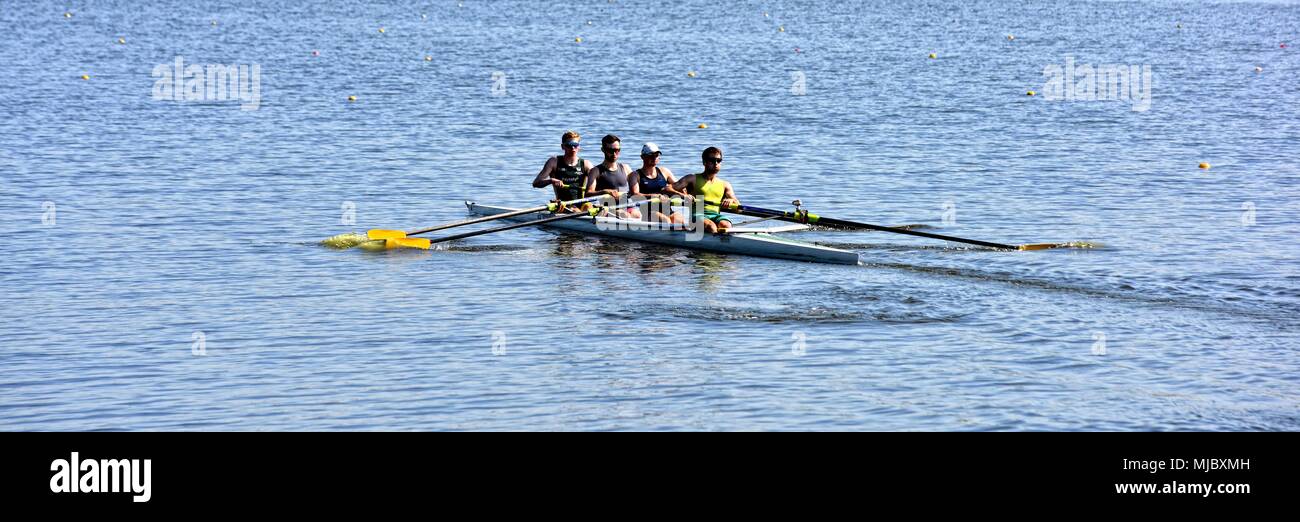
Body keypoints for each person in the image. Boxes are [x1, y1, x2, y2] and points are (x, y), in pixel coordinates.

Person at [672, 146, 738, 233]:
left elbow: (739, 208)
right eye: (712, 160)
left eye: (718, 160)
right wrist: (683, 195)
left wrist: (731, 201)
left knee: (726, 225)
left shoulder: (725, 185)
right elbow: (667, 188)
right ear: (704, 162)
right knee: (711, 227)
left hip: (716, 216)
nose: (715, 163)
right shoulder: (692, 179)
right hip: (697, 216)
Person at [627, 142, 687, 224]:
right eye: (651, 155)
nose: (654, 158)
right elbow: (634, 195)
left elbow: (679, 186)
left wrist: (685, 194)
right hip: (648, 213)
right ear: (643, 157)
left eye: (657, 155)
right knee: (666, 221)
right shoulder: (635, 175)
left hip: (668, 211)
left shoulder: (664, 171)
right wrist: (654, 196)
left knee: (682, 222)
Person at [583, 134, 640, 219]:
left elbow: (637, 191)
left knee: (638, 214)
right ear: (603, 150)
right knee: (624, 215)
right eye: (610, 150)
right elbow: (588, 194)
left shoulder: (626, 168)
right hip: (607, 208)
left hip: (626, 206)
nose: (614, 153)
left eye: (617, 150)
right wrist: (605, 191)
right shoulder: (595, 171)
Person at [532, 130, 594, 206]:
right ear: (563, 146)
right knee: (574, 209)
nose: (573, 148)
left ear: (579, 147)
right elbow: (536, 183)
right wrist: (551, 180)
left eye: (575, 145)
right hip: (562, 205)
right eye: (569, 145)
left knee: (590, 206)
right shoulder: (553, 162)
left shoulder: (586, 164)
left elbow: (599, 184)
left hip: (582, 206)